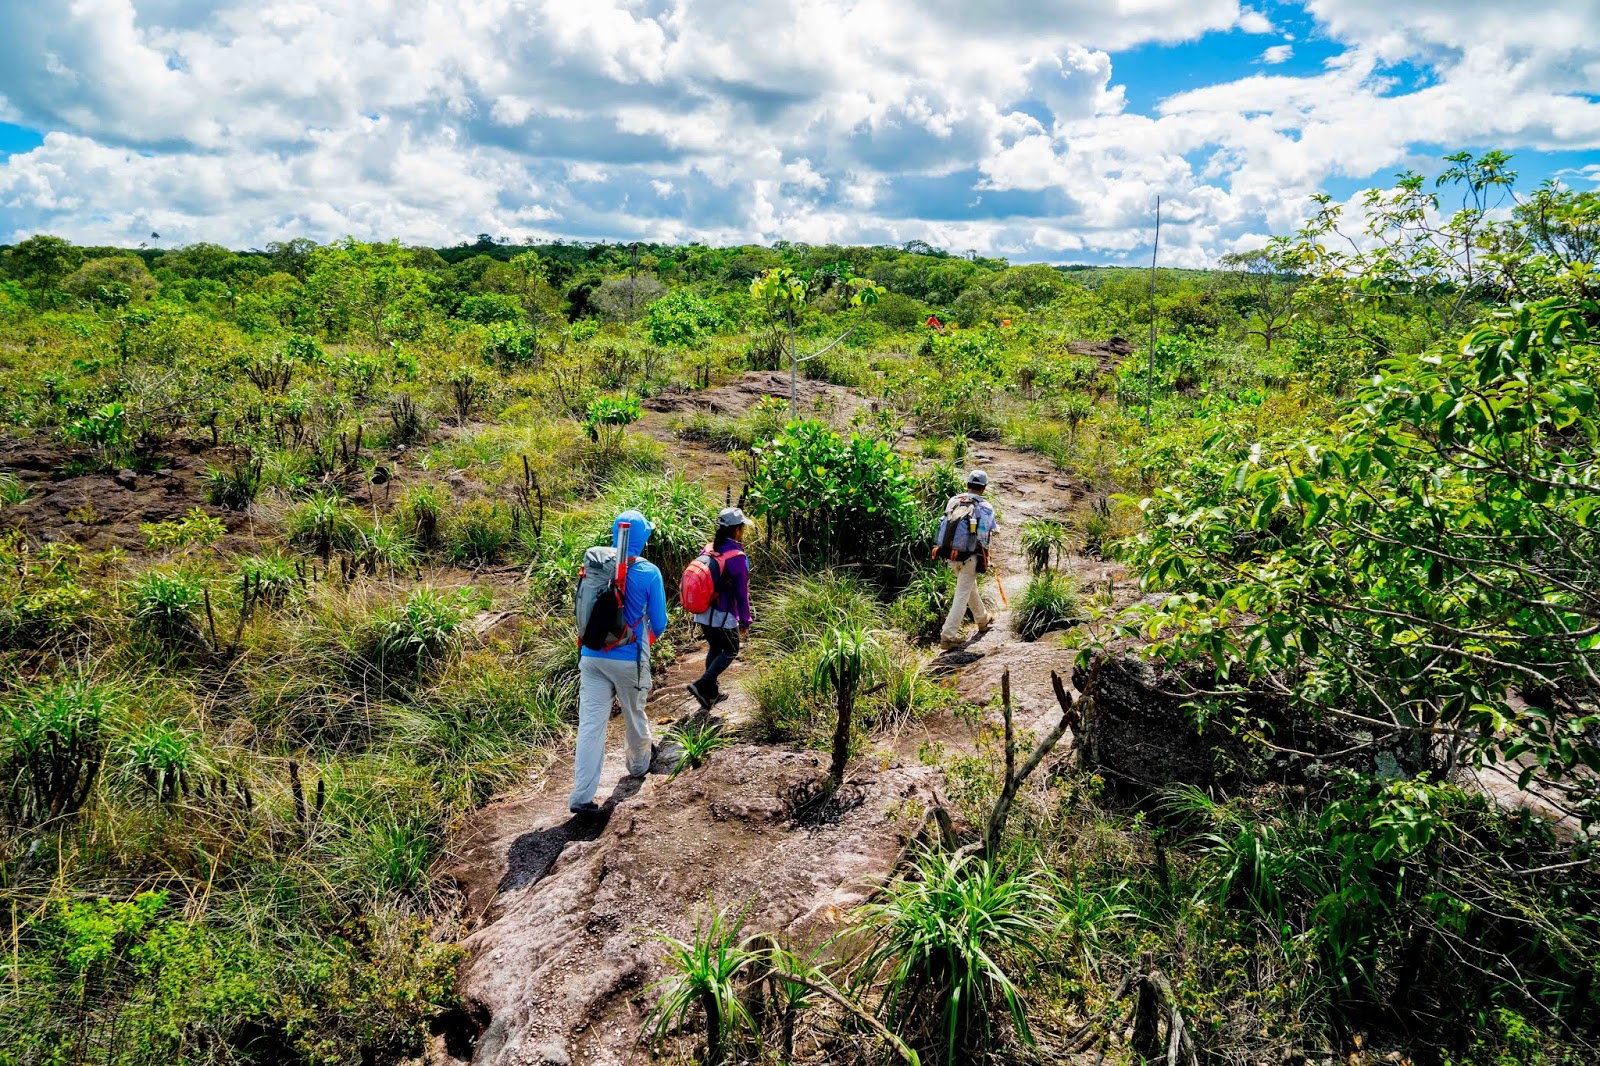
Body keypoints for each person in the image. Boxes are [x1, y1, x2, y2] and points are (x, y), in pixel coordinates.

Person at [570, 509, 669, 815]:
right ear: (643, 538)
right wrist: (641, 640)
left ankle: (581, 798)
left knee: (590, 727)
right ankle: (639, 767)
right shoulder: (648, 572)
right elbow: (660, 623)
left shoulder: (596, 565)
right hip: (629, 660)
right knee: (634, 714)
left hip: (591, 657)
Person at [687, 507, 753, 711]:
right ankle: (702, 684)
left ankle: (711, 694)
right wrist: (745, 620)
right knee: (731, 650)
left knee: (716, 648)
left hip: (703, 611)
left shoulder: (708, 548)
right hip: (724, 614)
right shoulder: (737, 556)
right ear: (736, 530)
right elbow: (742, 593)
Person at [937, 470, 997, 648]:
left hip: (950, 554)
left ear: (967, 485)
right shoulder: (985, 507)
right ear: (984, 488)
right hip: (970, 558)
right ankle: (948, 636)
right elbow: (985, 535)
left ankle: (982, 620)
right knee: (962, 594)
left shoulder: (954, 501)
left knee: (969, 588)